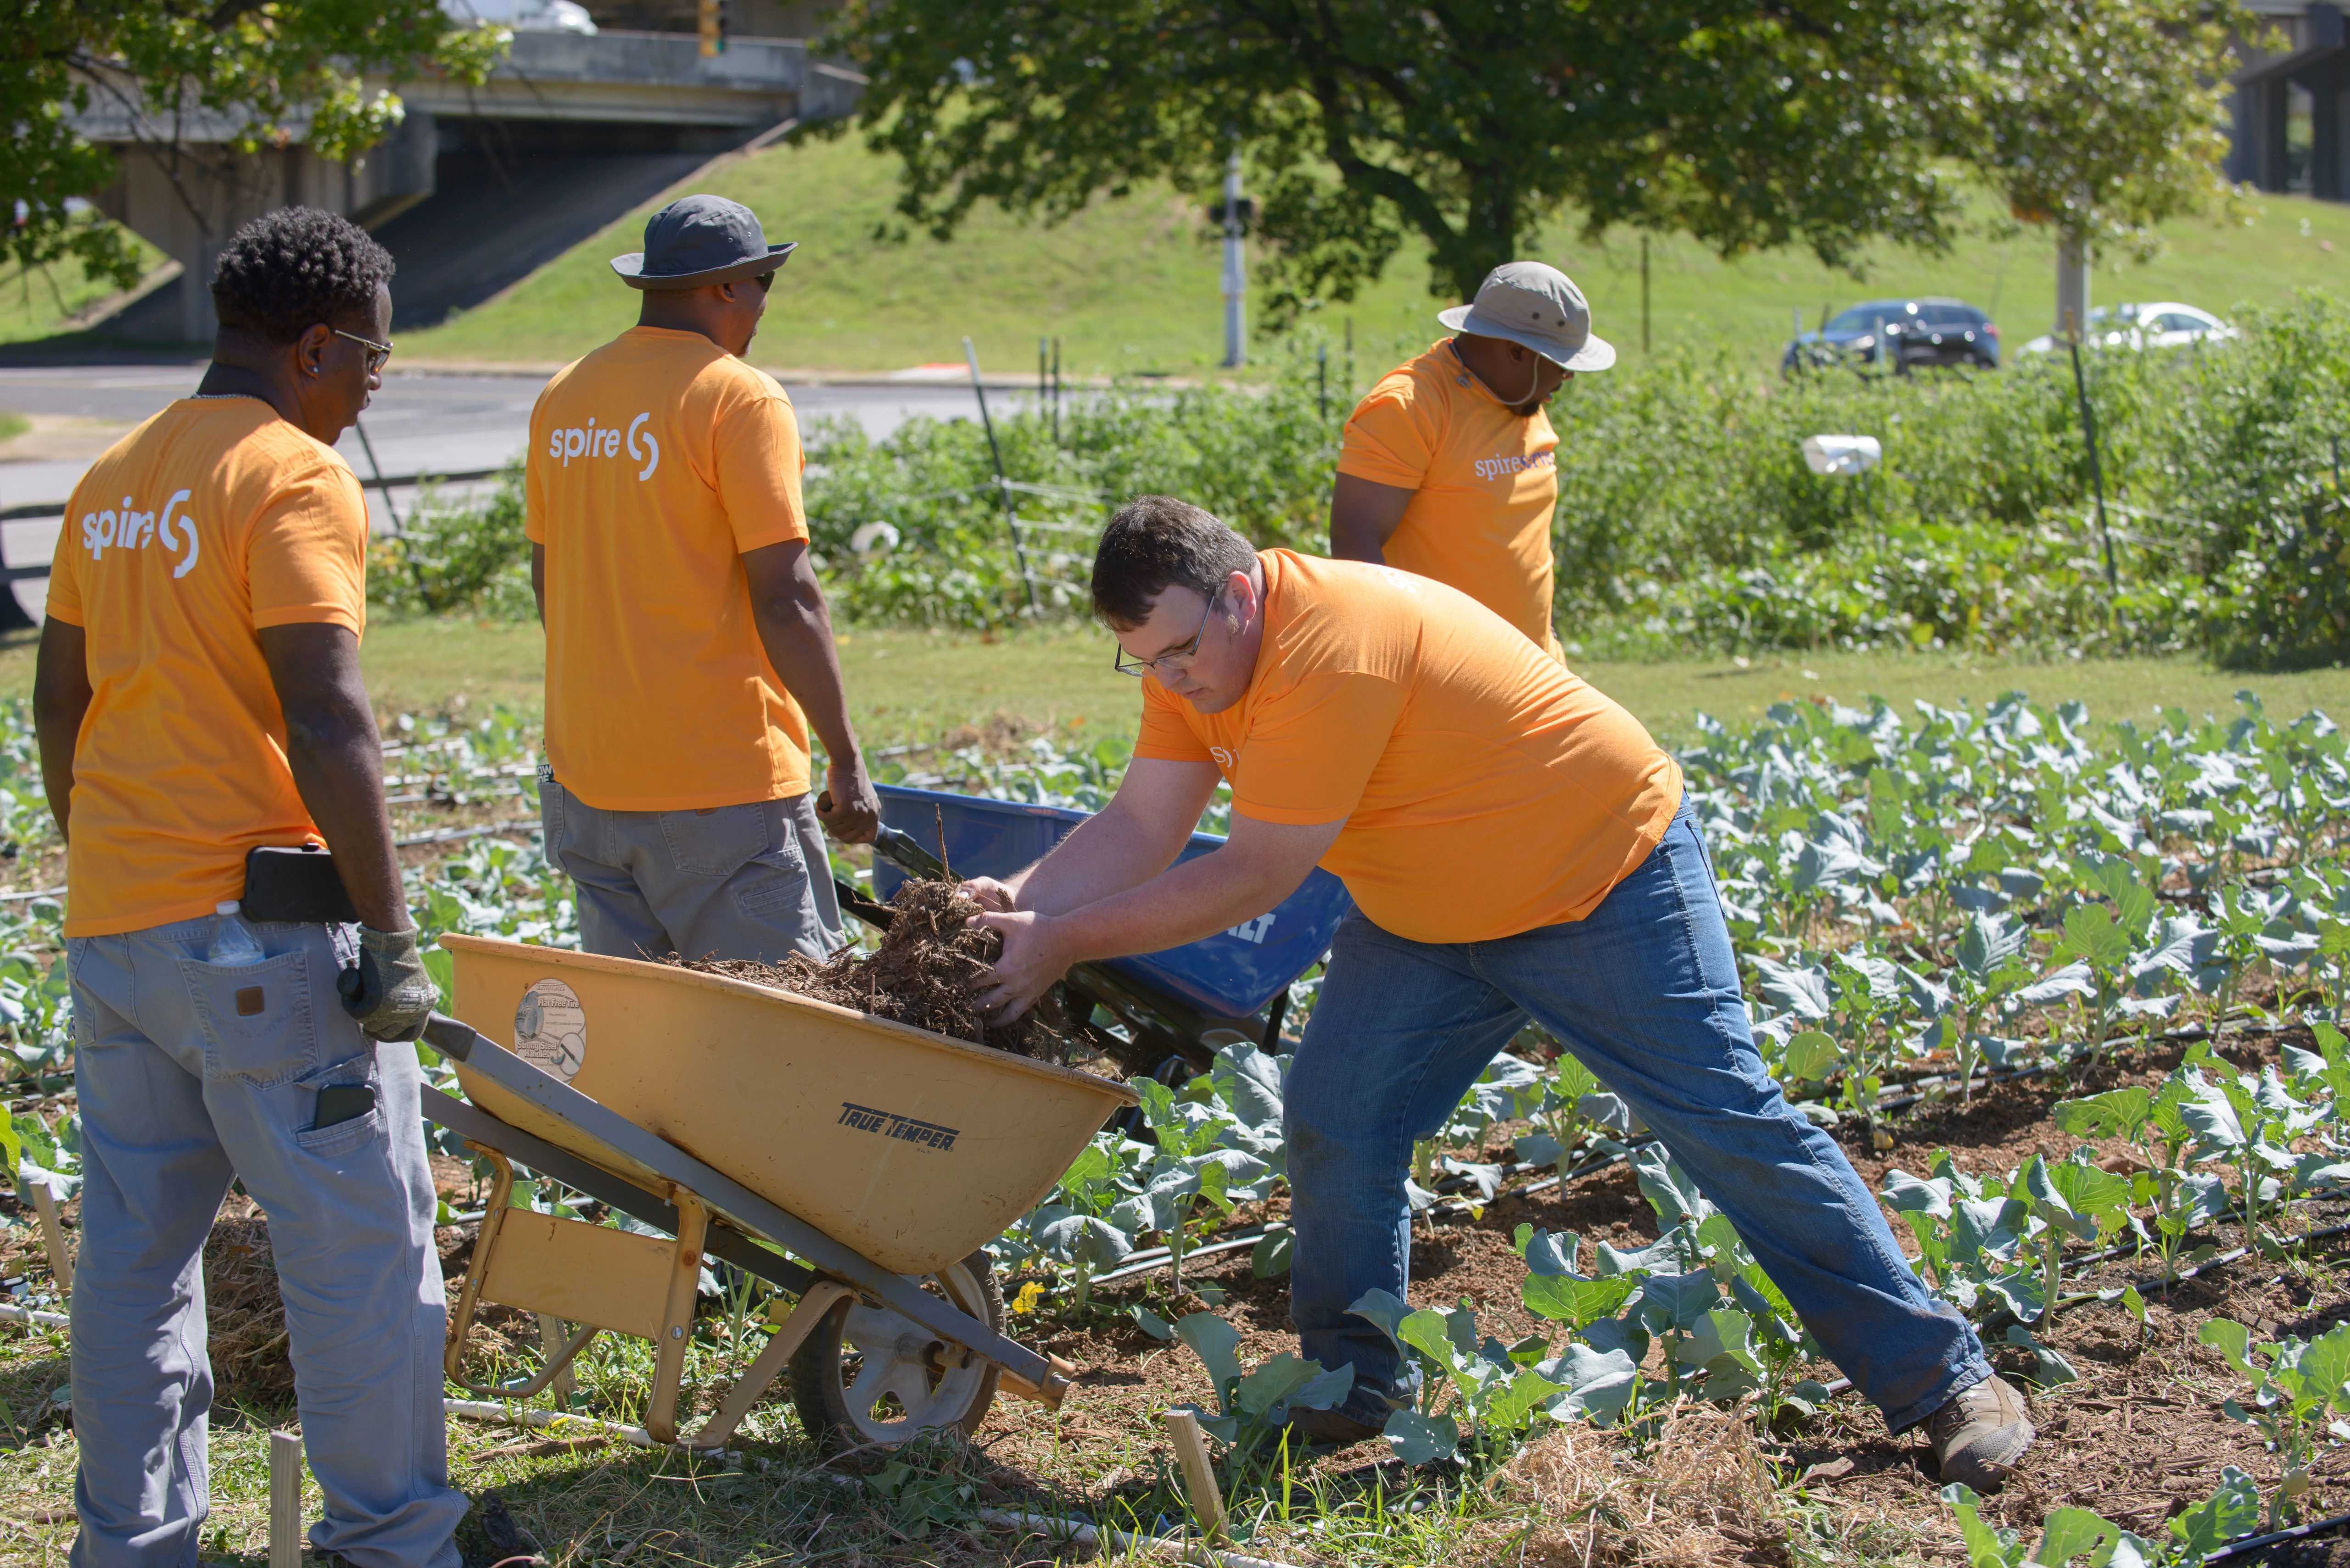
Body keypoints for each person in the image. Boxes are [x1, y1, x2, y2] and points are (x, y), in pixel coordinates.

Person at [966, 497, 2035, 1490]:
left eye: (1183, 651)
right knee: (1338, 1118)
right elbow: (1141, 827)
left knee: (1724, 1123)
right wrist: (1013, 902)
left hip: (1599, 880)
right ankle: (1349, 1389)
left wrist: (1061, 941)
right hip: (1428, 918)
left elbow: (1255, 875)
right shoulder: (1194, 665)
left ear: (1240, 592)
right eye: (1142, 661)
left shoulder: (1331, 643)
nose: (1172, 679)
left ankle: (1944, 1382)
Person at [34, 208, 464, 1567]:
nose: (371, 391)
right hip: (262, 944)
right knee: (363, 1250)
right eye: (372, 365)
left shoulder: (115, 474)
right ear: (316, 345)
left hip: (116, 932)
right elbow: (328, 715)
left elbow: (59, 697)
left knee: (133, 1268)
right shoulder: (288, 474)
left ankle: (133, 1542)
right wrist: (388, 935)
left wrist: (108, 851)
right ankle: (388, 1536)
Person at [525, 193, 878, 965]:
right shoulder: (738, 397)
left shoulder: (565, 396)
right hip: (721, 789)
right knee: (783, 1042)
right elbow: (787, 597)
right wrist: (846, 760)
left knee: (647, 1053)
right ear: (726, 287)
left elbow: (548, 580)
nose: (762, 308)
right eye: (764, 284)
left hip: (588, 786)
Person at [1328, 261, 1611, 659]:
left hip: (1538, 668)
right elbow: (1354, 543)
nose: (1567, 378)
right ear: (1515, 351)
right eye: (1560, 363)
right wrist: (1406, 662)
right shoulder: (1408, 407)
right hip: (1444, 680)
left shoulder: (1521, 398)